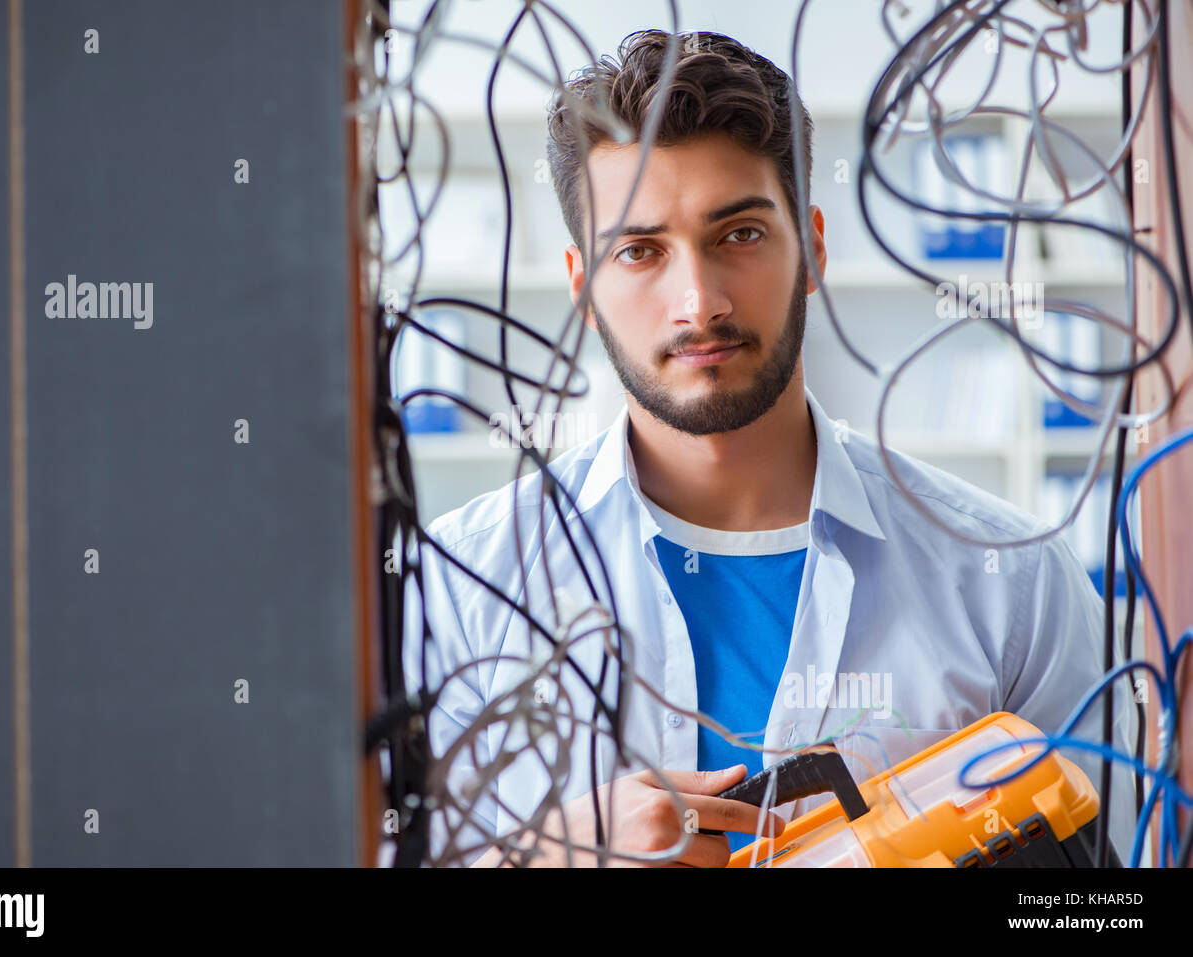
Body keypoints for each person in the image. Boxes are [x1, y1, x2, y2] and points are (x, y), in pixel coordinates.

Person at [402, 28, 1136, 867]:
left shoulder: (1015, 582)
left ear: (813, 247)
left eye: (739, 235)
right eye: (640, 251)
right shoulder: (463, 592)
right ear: (583, 290)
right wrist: (539, 856)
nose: (698, 301)